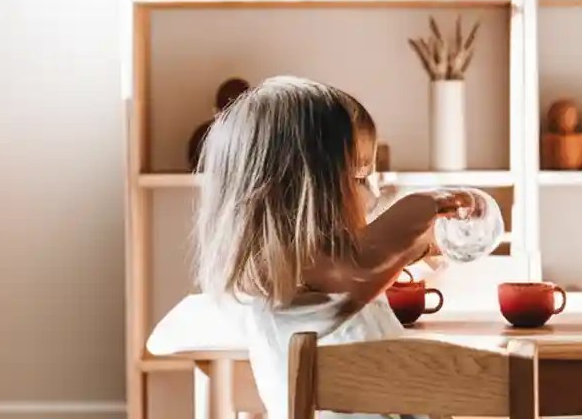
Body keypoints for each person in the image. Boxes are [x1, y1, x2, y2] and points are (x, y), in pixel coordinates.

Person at [194, 76, 482, 419]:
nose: (373, 196)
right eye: (359, 178)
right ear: (299, 191)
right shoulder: (280, 277)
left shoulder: (330, 276)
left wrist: (414, 248)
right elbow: (358, 266)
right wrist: (428, 203)